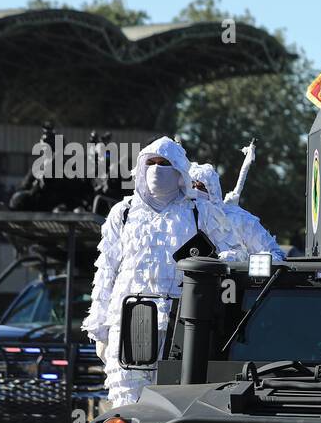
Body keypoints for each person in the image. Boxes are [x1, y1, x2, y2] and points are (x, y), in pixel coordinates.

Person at [83, 137, 245, 408]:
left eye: (164, 163)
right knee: (128, 402)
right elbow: (105, 272)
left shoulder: (200, 210)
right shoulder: (122, 213)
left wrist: (208, 264)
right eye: (152, 162)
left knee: (175, 401)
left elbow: (236, 253)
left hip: (183, 323)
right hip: (128, 322)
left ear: (179, 169)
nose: (157, 169)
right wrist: (99, 329)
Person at [187, 161, 285, 262]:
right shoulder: (182, 222)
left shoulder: (239, 219)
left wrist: (240, 258)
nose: (195, 192)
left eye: (200, 187)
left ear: (213, 191)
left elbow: (276, 255)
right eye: (190, 187)